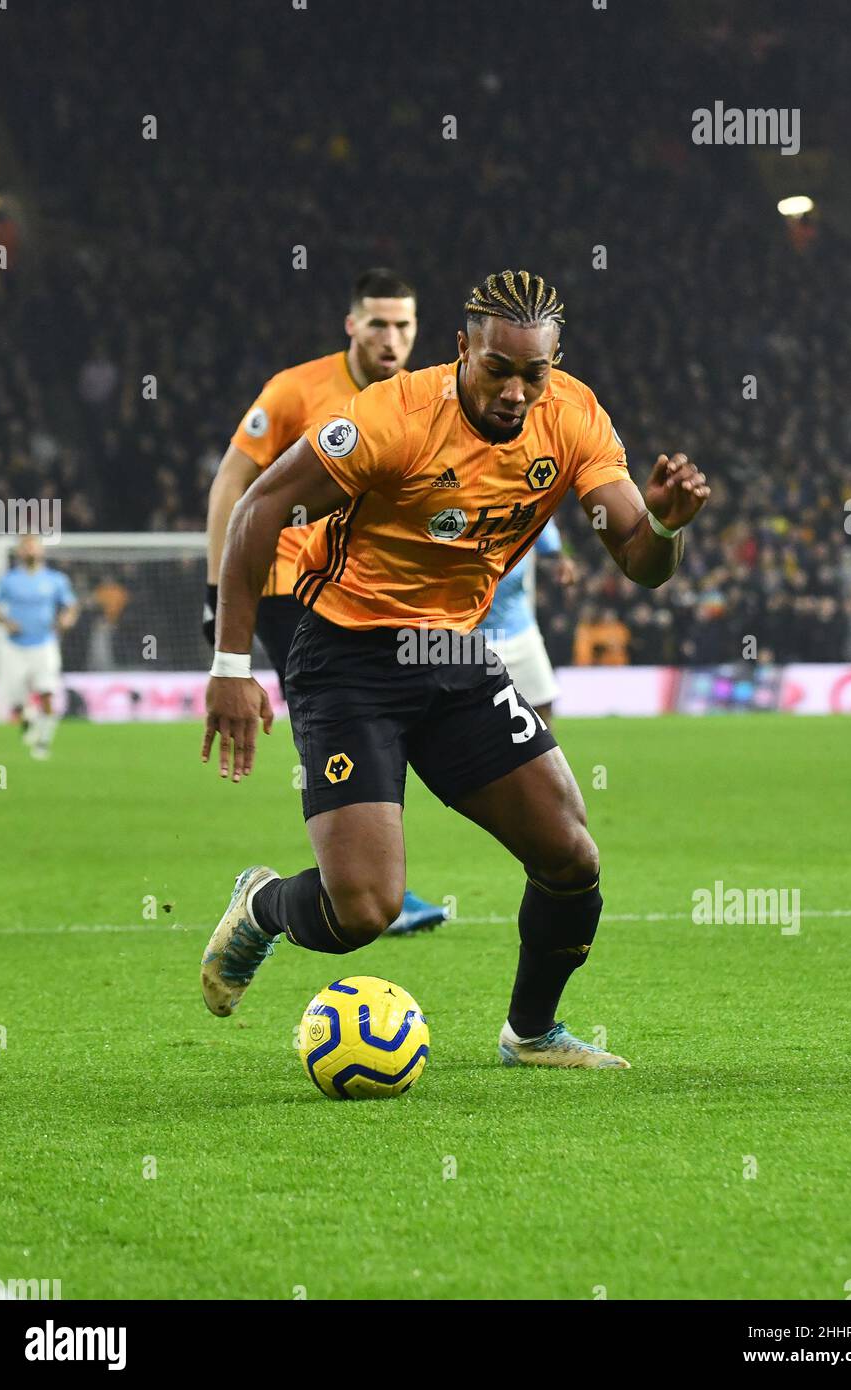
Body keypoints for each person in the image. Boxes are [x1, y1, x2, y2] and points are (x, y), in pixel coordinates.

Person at [200, 268, 709, 1070]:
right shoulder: (388, 418)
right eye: (497, 369)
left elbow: (639, 559)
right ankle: (262, 906)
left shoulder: (572, 417)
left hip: (450, 652)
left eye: (533, 373)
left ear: (555, 363)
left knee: (571, 856)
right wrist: (231, 666)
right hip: (348, 656)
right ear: (461, 348)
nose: (515, 392)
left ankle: (530, 1034)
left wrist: (666, 527)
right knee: (366, 908)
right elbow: (259, 507)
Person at [204, 266, 445, 936]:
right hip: (290, 588)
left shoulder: (421, 400)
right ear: (351, 325)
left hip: (372, 594)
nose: (391, 337)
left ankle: (365, 876)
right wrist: (214, 585)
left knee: (385, 727)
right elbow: (232, 481)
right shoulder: (296, 389)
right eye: (377, 323)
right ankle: (353, 884)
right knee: (338, 725)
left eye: (402, 324)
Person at [477, 518, 575, 726]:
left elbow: (543, 521)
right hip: (469, 631)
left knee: (542, 706)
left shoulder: (524, 501)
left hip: (517, 624)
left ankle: (542, 756)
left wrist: (559, 557)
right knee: (471, 716)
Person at [0, 534, 78, 759]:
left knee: (47, 692)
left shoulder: (55, 579)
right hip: (14, 647)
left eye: (33, 547)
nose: (30, 551)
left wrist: (67, 619)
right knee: (17, 703)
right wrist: (5, 622)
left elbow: (70, 606)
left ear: (41, 551)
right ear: (19, 552)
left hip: (44, 644)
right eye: (26, 547)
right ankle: (28, 717)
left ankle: (44, 742)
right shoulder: (8, 580)